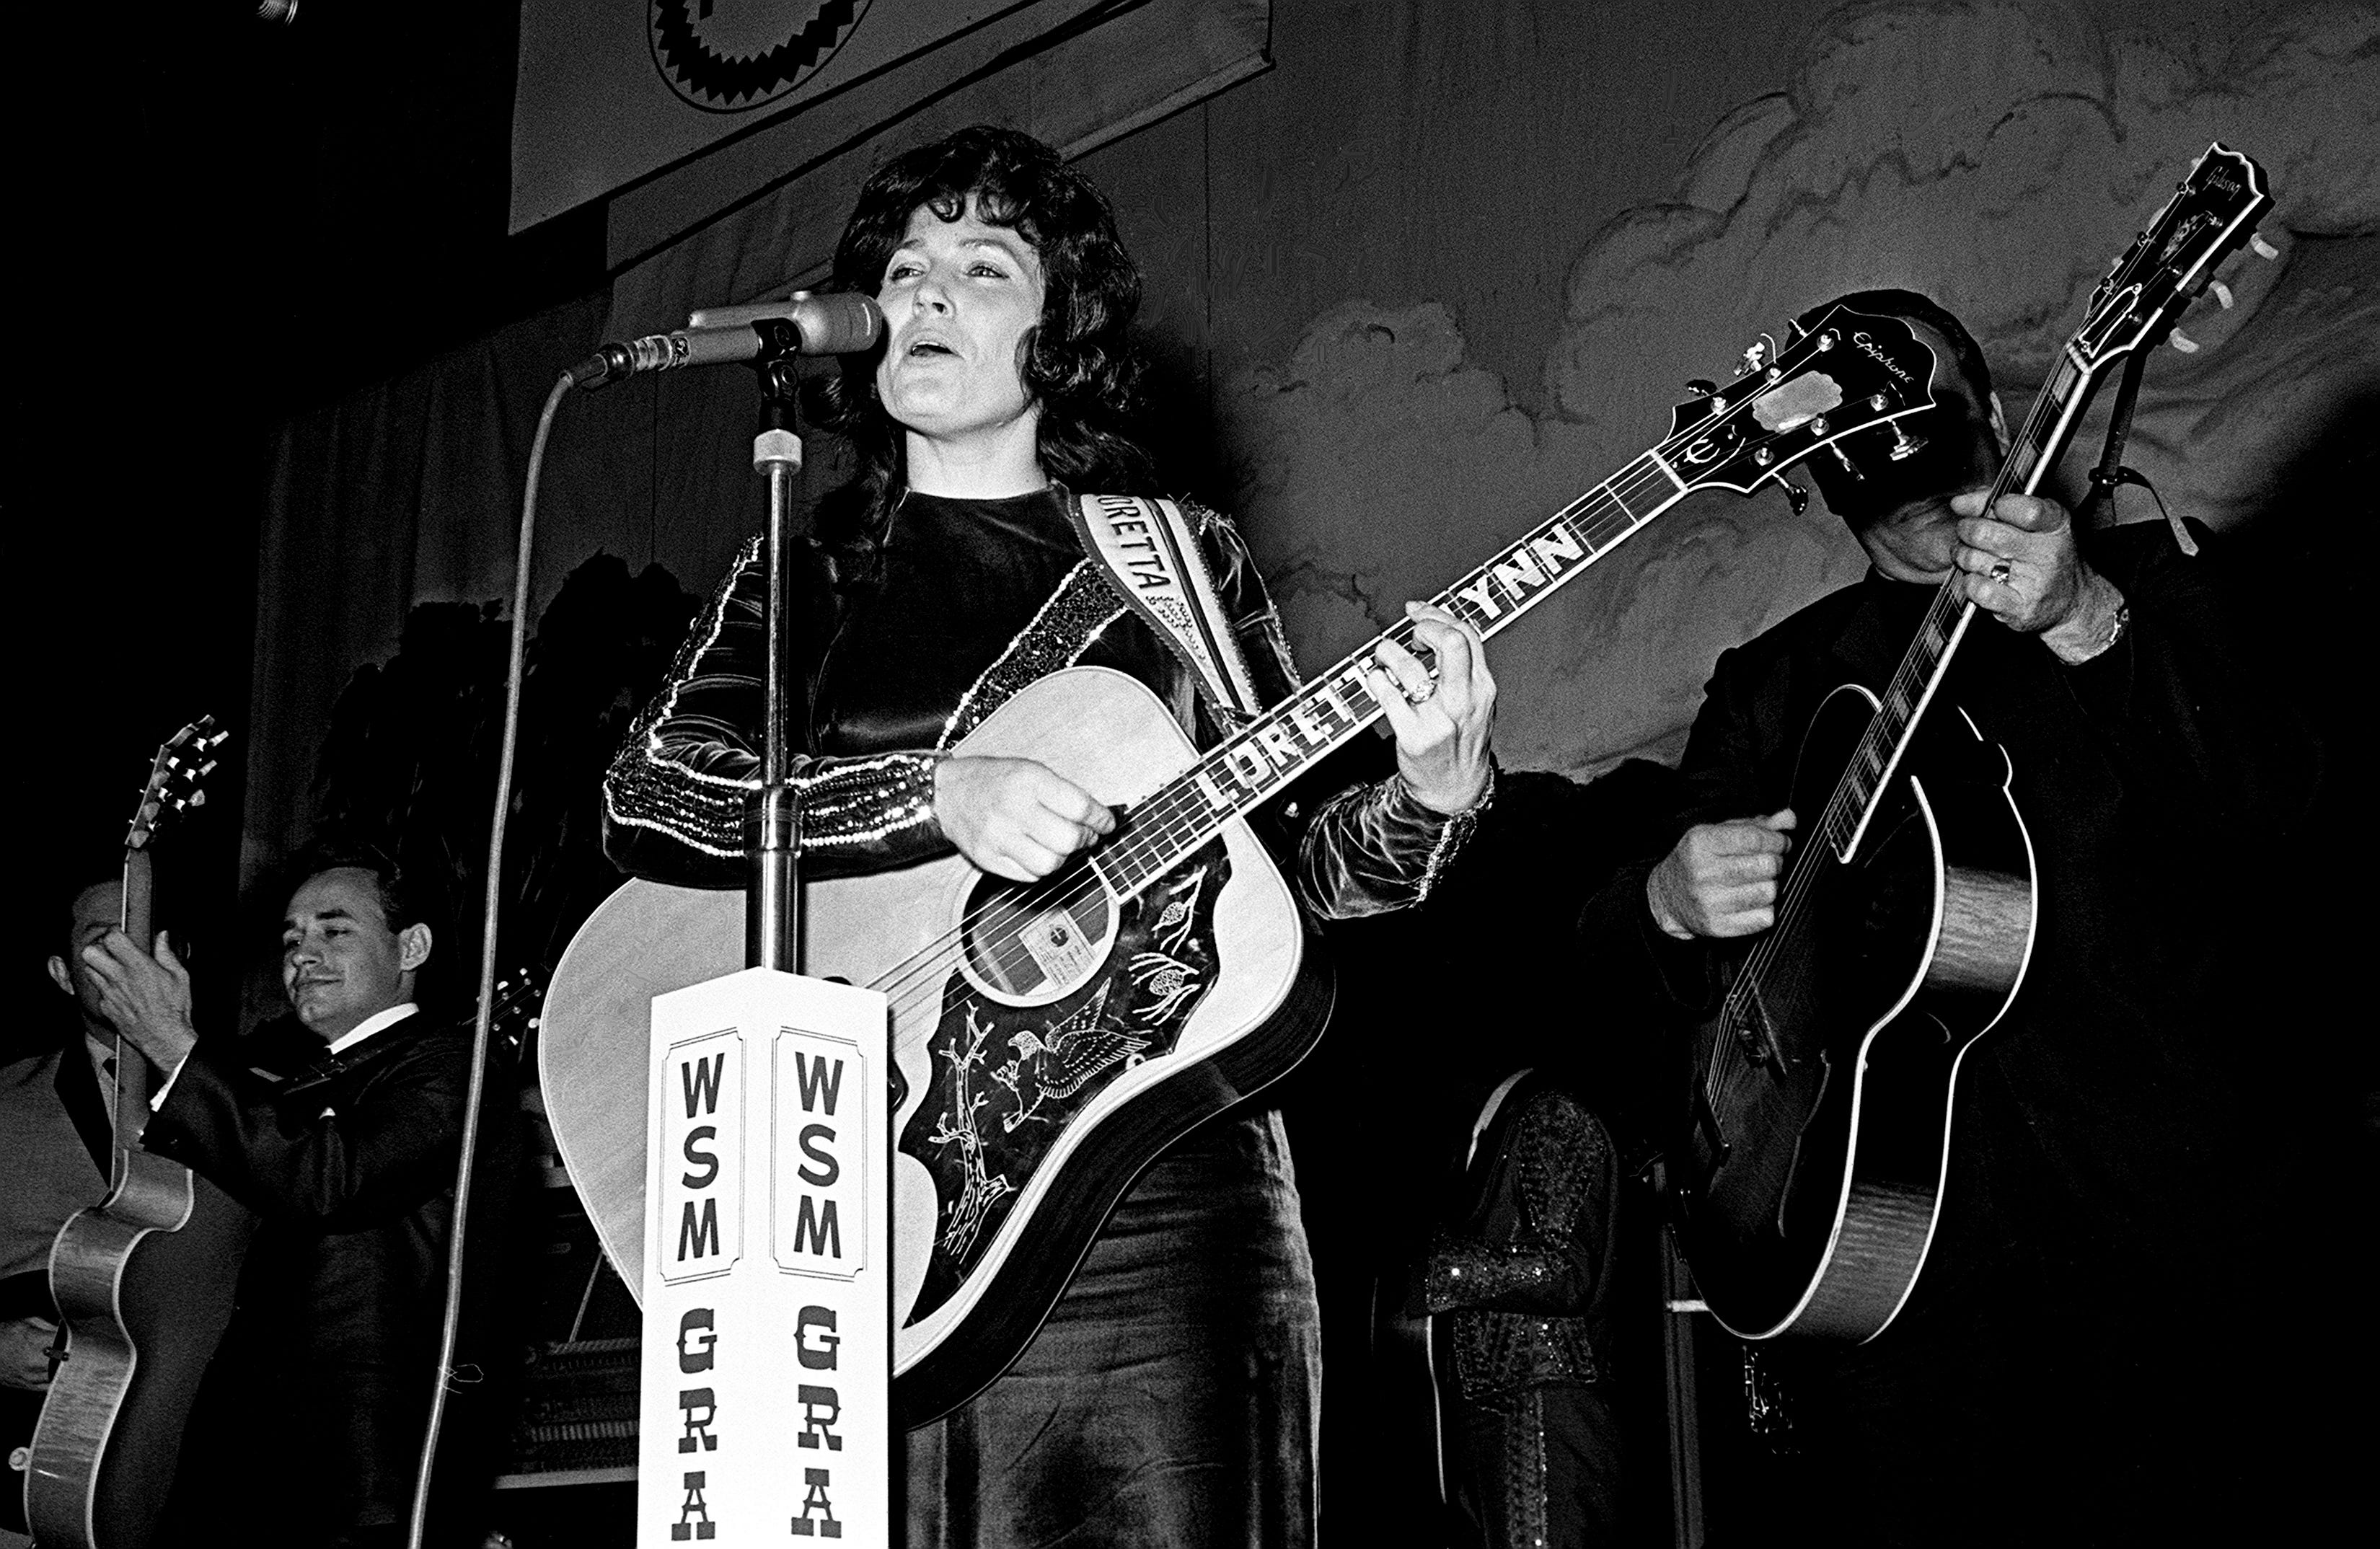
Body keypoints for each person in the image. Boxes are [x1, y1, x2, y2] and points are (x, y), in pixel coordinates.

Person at [601, 124, 1497, 1545]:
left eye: (981, 266)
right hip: (860, 1197)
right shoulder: (802, 575)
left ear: (1058, 329)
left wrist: (1432, 792)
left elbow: (1296, 873)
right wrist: (931, 795)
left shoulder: (1175, 560)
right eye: (905, 266)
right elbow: (653, 794)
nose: (927, 291)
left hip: (1168, 1193)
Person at [1574, 289, 2328, 1543]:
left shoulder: (2153, 577)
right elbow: (1633, 998)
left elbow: (2295, 817)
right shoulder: (1776, 687)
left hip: (2191, 1264)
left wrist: (2088, 622)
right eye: (1869, 467)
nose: (1918, 487)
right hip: (1905, 1298)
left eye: (1933, 439)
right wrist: (1662, 904)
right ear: (1819, 484)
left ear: (1992, 407)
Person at [81, 850, 472, 1548]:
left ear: (411, 947)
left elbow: (328, 1179)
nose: (303, 956)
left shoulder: (447, 1067)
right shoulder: (302, 1079)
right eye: (292, 939)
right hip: (257, 1464)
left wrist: (173, 1043)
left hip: (352, 1476)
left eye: (334, 931)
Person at [0, 873, 122, 1543]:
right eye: (103, 941)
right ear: (63, 974)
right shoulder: (4, 1102)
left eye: (148, 936)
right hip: (27, 1462)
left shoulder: (260, 1108)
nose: (129, 958)